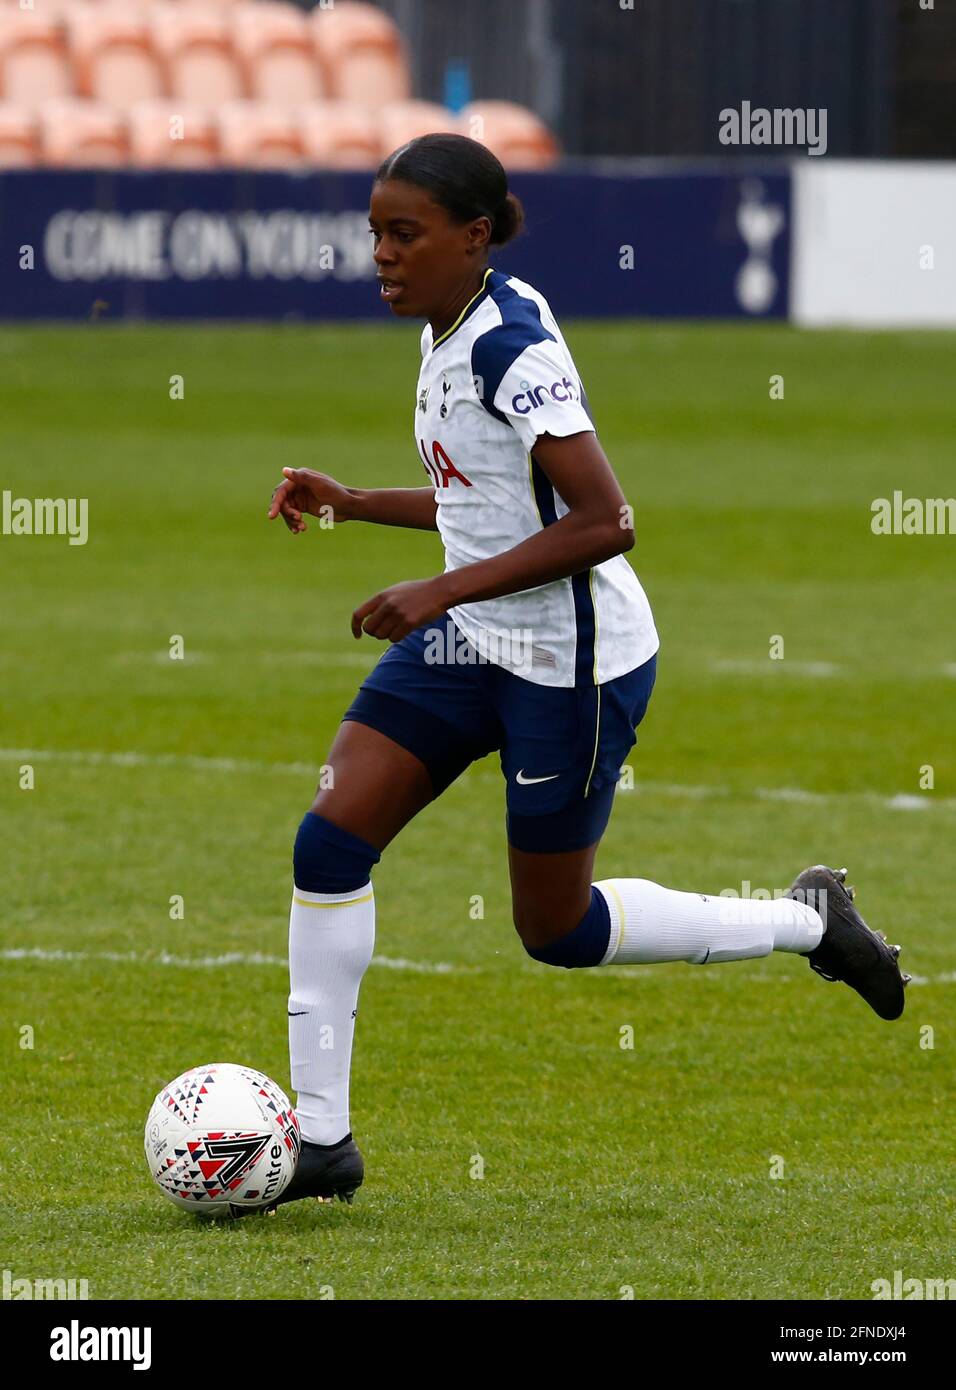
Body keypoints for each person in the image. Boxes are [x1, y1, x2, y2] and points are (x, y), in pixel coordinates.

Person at [251, 134, 909, 1215]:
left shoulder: (508, 345)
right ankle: (320, 1141)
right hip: (476, 643)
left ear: (471, 238)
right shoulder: (445, 323)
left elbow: (607, 522)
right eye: (373, 229)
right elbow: (489, 503)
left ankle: (809, 920)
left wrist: (438, 592)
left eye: (402, 233)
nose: (379, 252)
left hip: (572, 666)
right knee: (329, 839)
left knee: (555, 934)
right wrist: (359, 502)